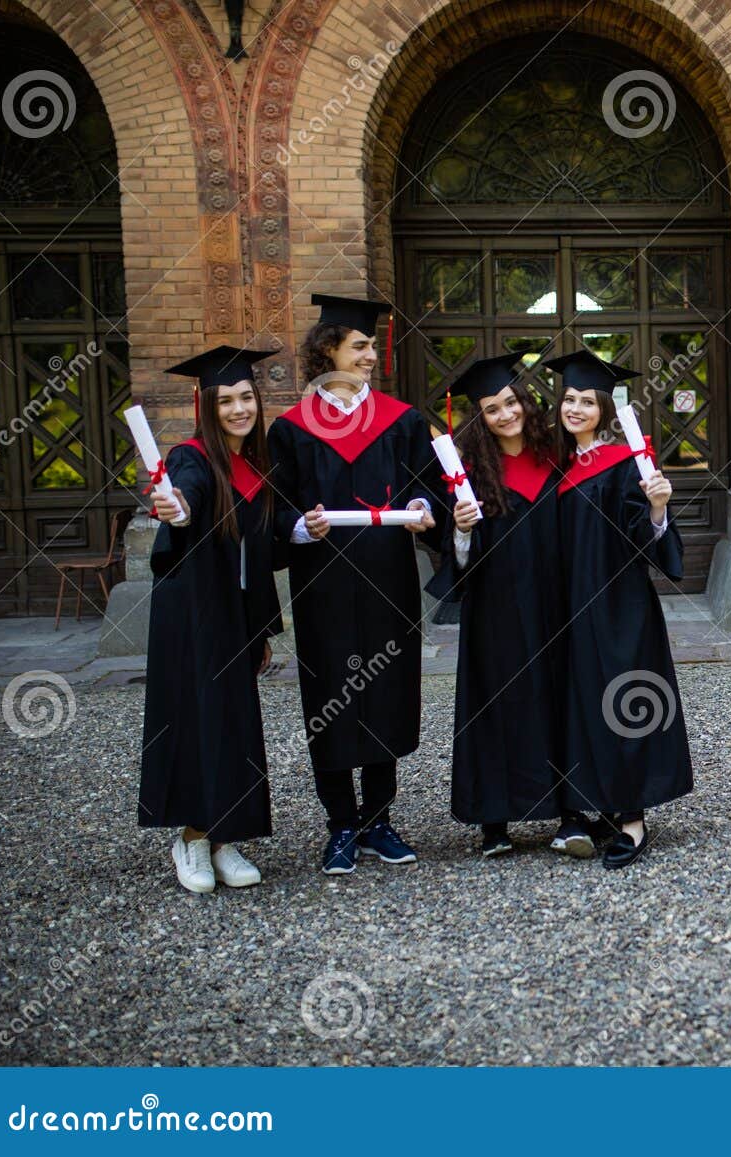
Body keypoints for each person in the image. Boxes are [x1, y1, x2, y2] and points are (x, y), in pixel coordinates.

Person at [266, 294, 442, 875]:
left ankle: (378, 822)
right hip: (323, 586)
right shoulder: (291, 431)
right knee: (330, 700)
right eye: (360, 346)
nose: (371, 356)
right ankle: (341, 823)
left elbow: (428, 488)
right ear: (329, 352)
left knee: (387, 695)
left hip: (390, 581)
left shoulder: (402, 421)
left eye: (371, 346)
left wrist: (422, 506)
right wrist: (298, 526)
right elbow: (275, 508)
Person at [139, 345, 285, 894]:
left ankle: (224, 837)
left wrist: (262, 625)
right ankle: (192, 838)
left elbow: (263, 544)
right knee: (197, 720)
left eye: (246, 397)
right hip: (194, 613)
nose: (239, 408)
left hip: (237, 613)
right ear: (207, 406)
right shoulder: (192, 459)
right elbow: (186, 502)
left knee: (235, 723)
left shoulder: (254, 463)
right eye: (225, 400)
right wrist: (176, 507)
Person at [426, 352, 577, 859]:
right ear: (481, 418)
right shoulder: (471, 475)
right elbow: (458, 557)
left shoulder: (558, 454)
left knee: (563, 699)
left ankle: (571, 814)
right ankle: (495, 821)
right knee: (495, 704)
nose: (505, 414)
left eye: (510, 402)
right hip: (497, 610)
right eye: (492, 409)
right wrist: (463, 528)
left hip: (557, 602)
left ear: (524, 401)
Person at [549, 348, 693, 868]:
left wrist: (658, 506)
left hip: (617, 603)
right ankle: (592, 804)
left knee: (621, 698)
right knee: (579, 701)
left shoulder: (624, 464)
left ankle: (632, 818)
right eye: (568, 399)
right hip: (563, 607)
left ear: (606, 411)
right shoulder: (553, 465)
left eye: (587, 401)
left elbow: (648, 540)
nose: (576, 409)